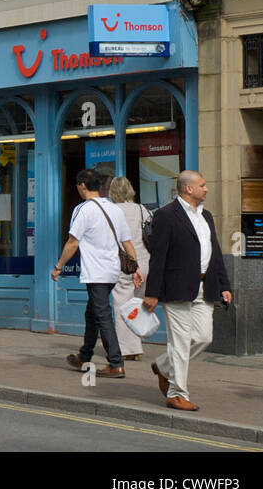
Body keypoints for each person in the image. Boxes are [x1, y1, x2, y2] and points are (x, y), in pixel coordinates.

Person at [143, 170, 232, 412]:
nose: (207, 189)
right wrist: (152, 292)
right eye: (202, 185)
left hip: (206, 286)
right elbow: (158, 256)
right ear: (188, 189)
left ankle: (162, 365)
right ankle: (176, 394)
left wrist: (224, 285)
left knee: (204, 337)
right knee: (180, 343)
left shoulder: (207, 216)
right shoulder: (166, 216)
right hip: (177, 287)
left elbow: (215, 253)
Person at [51, 169, 142, 378]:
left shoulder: (84, 210)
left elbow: (73, 242)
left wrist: (59, 266)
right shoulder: (114, 209)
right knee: (92, 314)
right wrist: (135, 268)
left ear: (82, 185)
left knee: (102, 315)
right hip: (111, 271)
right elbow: (126, 242)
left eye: (77, 185)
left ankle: (116, 363)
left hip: (96, 272)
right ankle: (84, 355)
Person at [107, 175, 150, 360]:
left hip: (124, 264)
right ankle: (137, 347)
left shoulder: (110, 211)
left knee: (121, 306)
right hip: (145, 262)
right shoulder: (142, 210)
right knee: (138, 305)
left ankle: (128, 349)